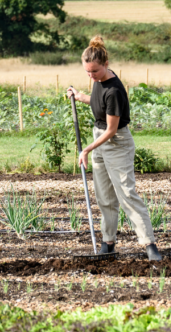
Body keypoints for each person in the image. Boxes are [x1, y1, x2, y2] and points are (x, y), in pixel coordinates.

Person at [66, 36, 162, 261]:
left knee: (127, 194)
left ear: (106, 64)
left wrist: (86, 150)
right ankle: (108, 243)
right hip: (99, 139)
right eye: (87, 72)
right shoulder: (99, 82)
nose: (91, 76)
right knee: (105, 197)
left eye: (95, 72)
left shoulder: (115, 90)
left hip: (116, 143)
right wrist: (80, 96)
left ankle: (149, 244)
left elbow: (111, 129)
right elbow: (99, 102)